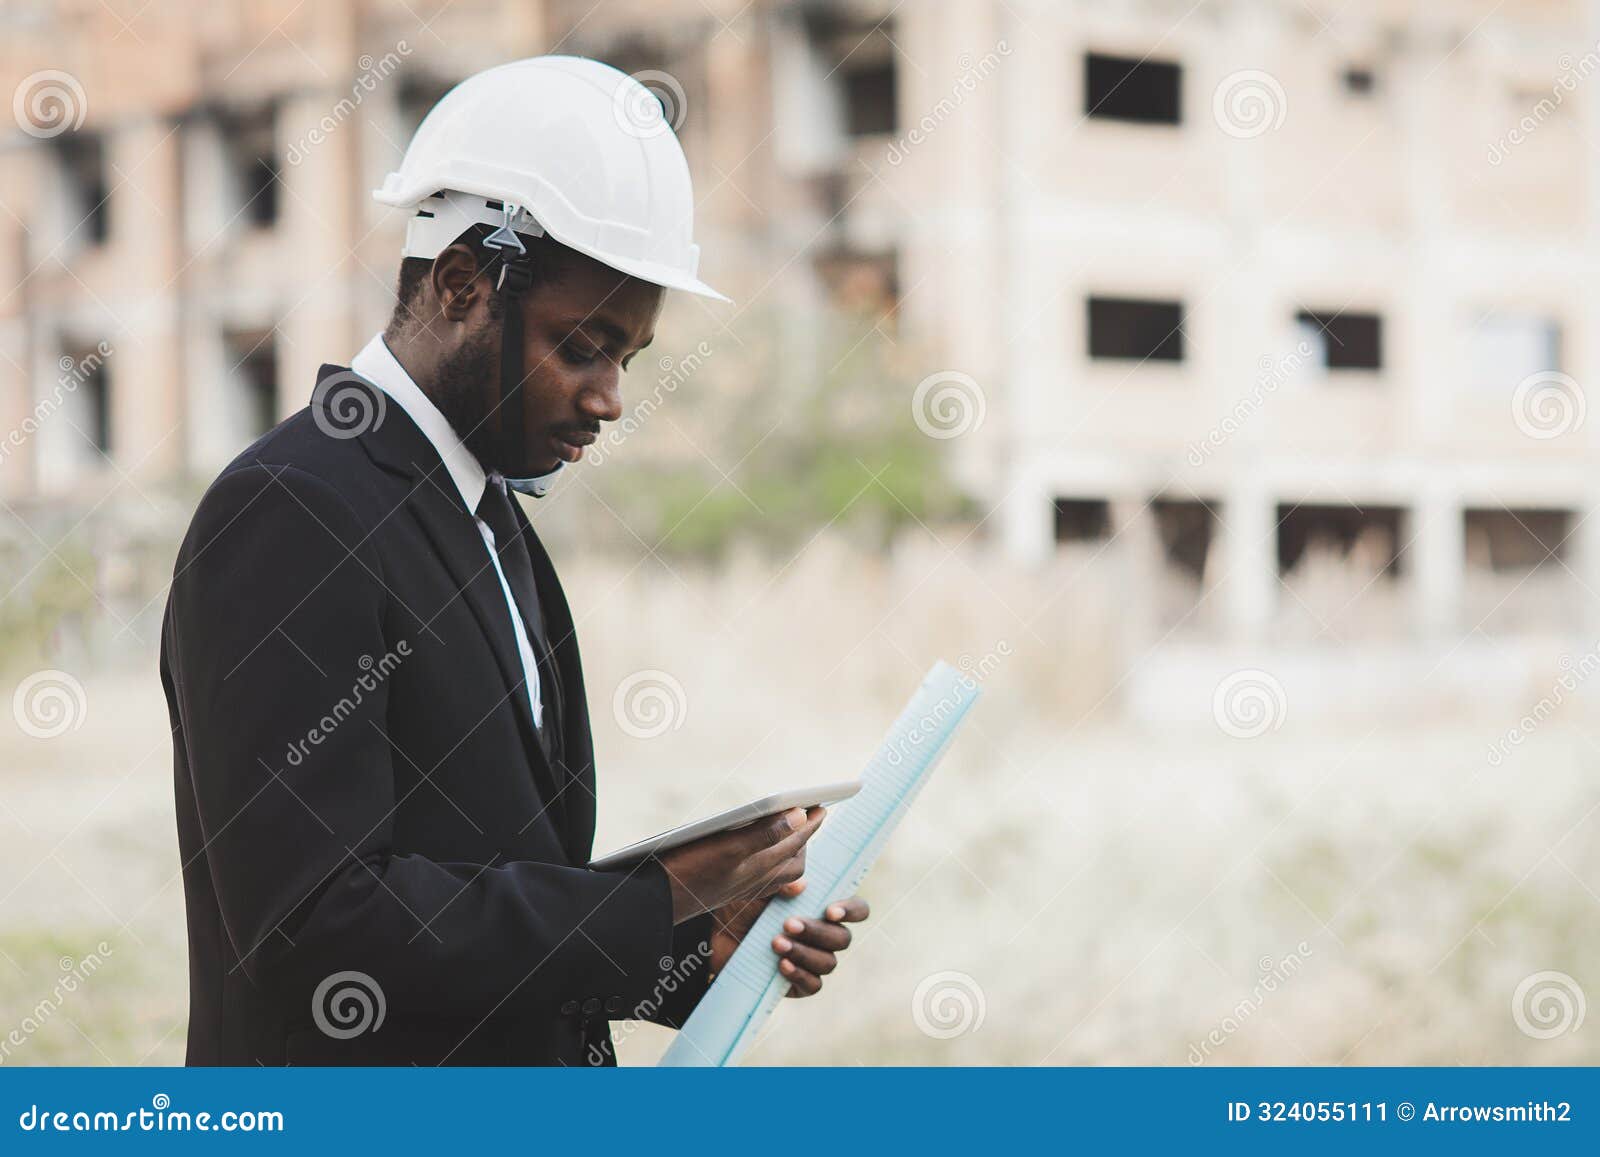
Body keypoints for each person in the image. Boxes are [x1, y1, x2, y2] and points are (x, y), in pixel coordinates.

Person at [160, 55, 868, 1066]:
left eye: (627, 358)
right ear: (459, 283)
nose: (611, 397)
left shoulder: (488, 516)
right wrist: (654, 890)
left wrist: (693, 948)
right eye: (581, 345)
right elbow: (313, 928)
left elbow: (485, 887)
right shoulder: (290, 507)